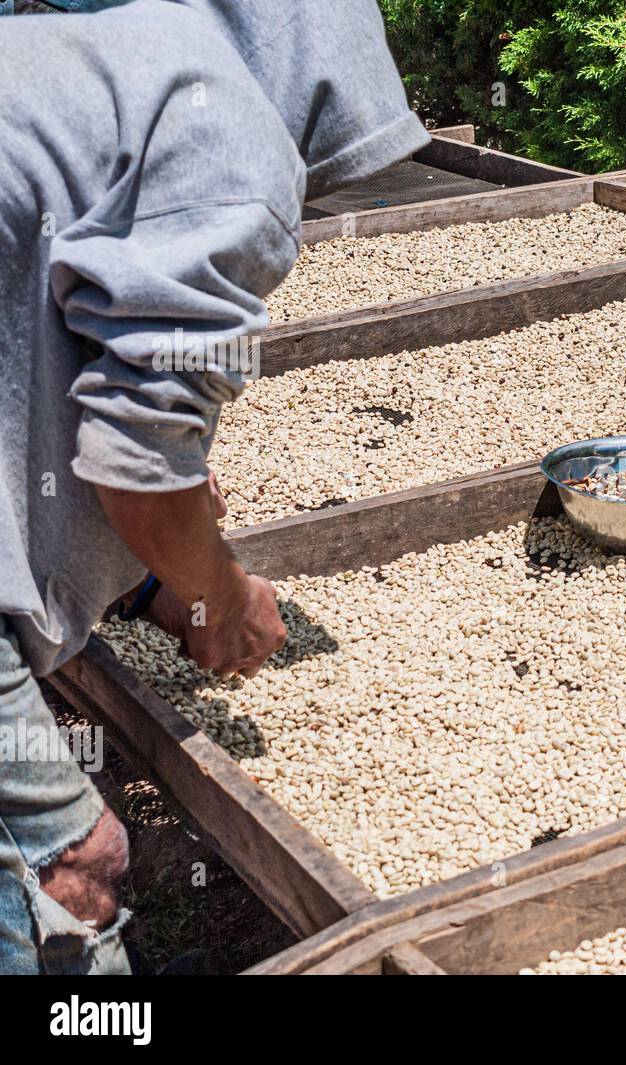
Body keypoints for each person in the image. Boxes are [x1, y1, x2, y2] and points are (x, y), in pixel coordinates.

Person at [0, 0, 425, 974]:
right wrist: (216, 592)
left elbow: (44, 371)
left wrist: (153, 584)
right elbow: (138, 466)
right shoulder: (225, 127)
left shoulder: (93, 65)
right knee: (73, 864)